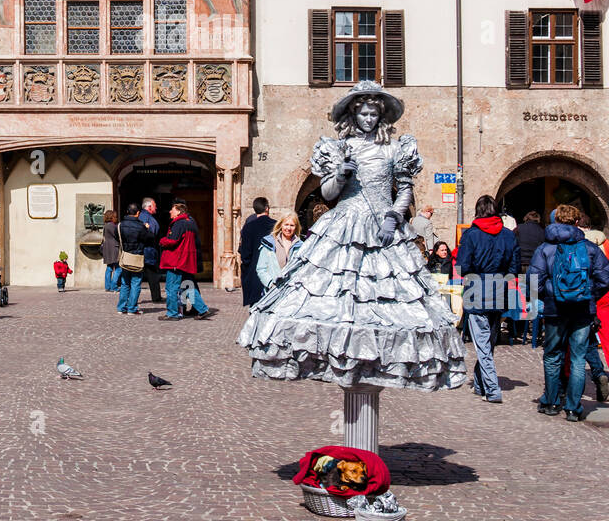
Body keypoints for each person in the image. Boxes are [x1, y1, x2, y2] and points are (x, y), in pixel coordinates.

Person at [239, 80, 466, 389]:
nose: (369, 119)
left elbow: (405, 189)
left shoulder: (394, 148)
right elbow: (328, 192)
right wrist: (342, 173)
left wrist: (394, 216)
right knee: (339, 298)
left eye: (374, 114)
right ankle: (340, 359)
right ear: (354, 115)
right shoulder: (339, 147)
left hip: (385, 229)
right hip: (345, 224)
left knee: (389, 300)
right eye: (364, 114)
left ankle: (382, 363)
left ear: (381, 116)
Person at [529, 202, 609, 421]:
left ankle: (551, 402)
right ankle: (573, 408)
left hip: (555, 309)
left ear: (555, 221)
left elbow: (533, 280)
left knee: (553, 356)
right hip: (582, 310)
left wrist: (546, 296)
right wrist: (589, 294)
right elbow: (605, 279)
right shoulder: (590, 248)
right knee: (577, 358)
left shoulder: (545, 248)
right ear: (577, 222)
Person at [455, 195, 520, 404]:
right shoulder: (508, 236)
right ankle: (481, 382)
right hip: (499, 288)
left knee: (483, 341)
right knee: (489, 339)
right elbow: (514, 267)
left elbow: (462, 266)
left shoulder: (471, 235)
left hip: (476, 288)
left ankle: (492, 387)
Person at [159, 200, 210, 321]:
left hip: (176, 260)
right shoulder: (190, 222)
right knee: (188, 286)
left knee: (171, 287)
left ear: (178, 211)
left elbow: (172, 240)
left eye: (172, 209)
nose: (170, 211)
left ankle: (172, 313)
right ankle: (202, 309)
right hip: (186, 260)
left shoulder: (179, 223)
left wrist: (162, 240)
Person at [117, 205, 154, 315]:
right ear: (137, 213)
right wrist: (147, 229)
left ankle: (121, 307)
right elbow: (150, 238)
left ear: (127, 211)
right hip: (137, 257)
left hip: (126, 257)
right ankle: (132, 308)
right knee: (135, 284)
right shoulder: (141, 226)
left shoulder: (120, 225)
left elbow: (117, 237)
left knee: (125, 283)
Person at [238, 197, 275, 306]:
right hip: (272, 271)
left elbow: (245, 255)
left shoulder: (248, 227)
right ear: (267, 208)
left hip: (254, 272)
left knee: (255, 307)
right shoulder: (276, 225)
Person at [256, 213, 303, 290]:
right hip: (272, 291)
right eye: (286, 224)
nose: (288, 228)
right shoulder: (269, 243)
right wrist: (271, 284)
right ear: (281, 225)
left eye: (292, 225)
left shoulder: (301, 246)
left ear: (296, 227)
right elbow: (261, 268)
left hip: (292, 292)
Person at [139, 197, 163, 303]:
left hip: (148, 250)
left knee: (150, 275)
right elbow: (148, 234)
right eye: (154, 205)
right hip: (147, 251)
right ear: (149, 207)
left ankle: (156, 296)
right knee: (151, 275)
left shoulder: (146, 216)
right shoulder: (145, 217)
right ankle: (156, 297)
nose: (156, 208)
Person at [100, 209, 121, 292]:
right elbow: (117, 236)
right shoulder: (112, 226)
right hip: (114, 247)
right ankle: (113, 286)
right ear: (111, 217)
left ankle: (107, 286)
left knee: (109, 267)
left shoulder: (106, 225)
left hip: (107, 248)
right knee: (118, 268)